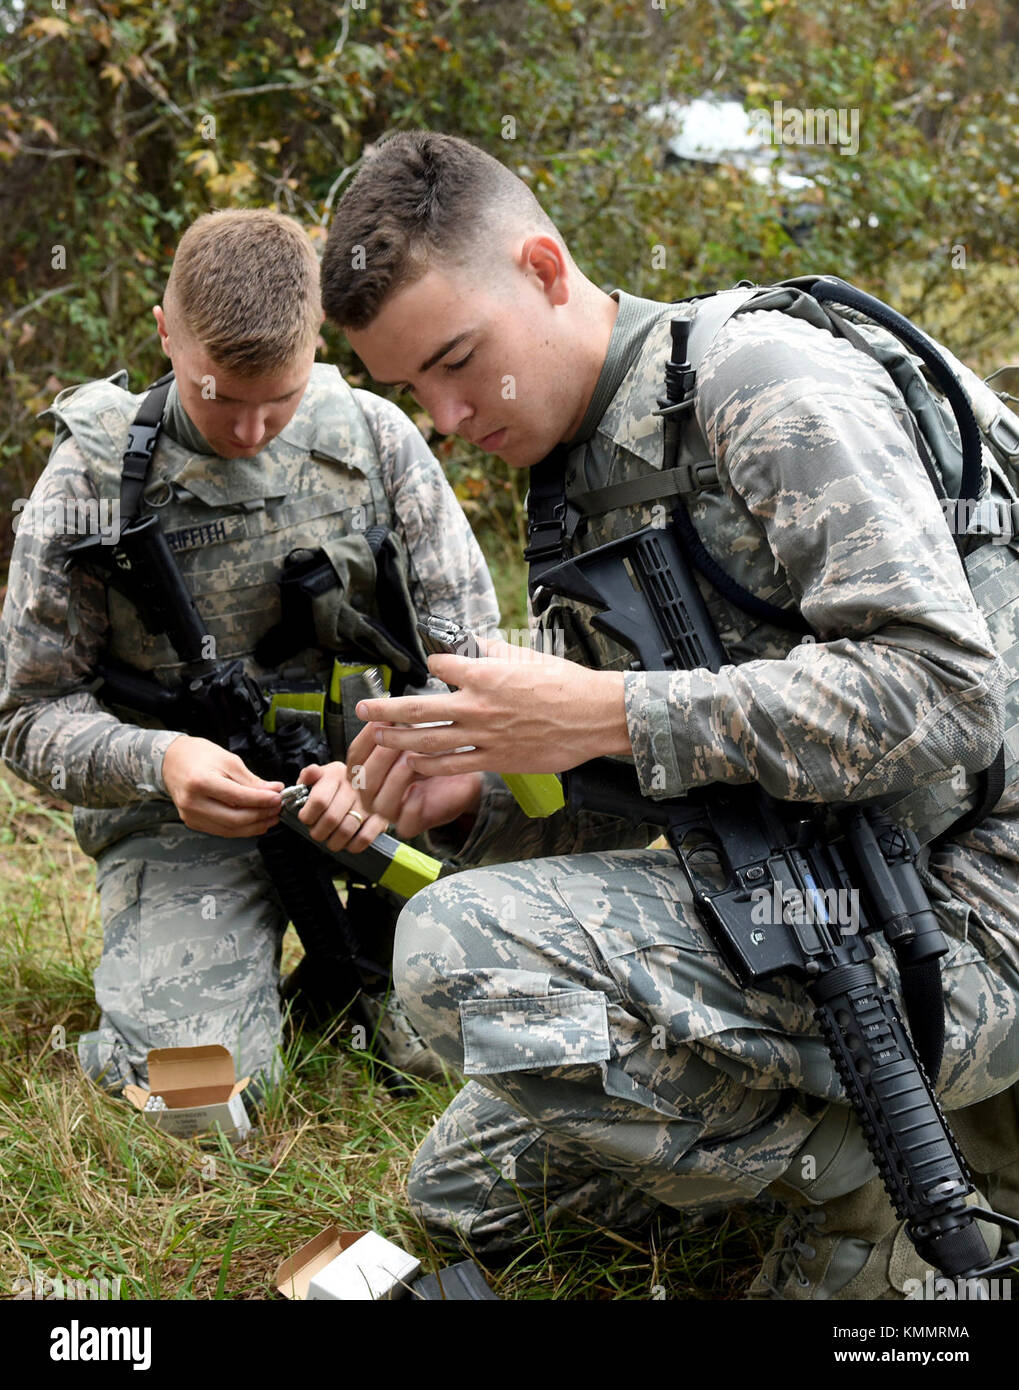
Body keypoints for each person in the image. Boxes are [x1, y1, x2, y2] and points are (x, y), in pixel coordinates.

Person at [317, 131, 1019, 1299]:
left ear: (542, 268)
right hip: (793, 892)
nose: (444, 417)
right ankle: (840, 1140)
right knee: (461, 1191)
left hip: (961, 912)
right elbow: (627, 775)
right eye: (411, 392)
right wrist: (477, 797)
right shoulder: (574, 473)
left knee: (450, 952)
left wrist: (614, 712)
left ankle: (883, 1182)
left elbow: (948, 694)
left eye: (456, 360)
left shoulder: (761, 380)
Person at [0, 207, 499, 1095]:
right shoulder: (90, 477)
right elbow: (30, 717)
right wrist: (162, 761)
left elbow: (475, 665)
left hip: (383, 798)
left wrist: (397, 769)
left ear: (318, 342)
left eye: (282, 397)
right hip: (187, 820)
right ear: (164, 333)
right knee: (200, 1089)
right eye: (218, 395)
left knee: (475, 1049)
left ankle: (368, 981)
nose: (249, 431)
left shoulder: (375, 441)